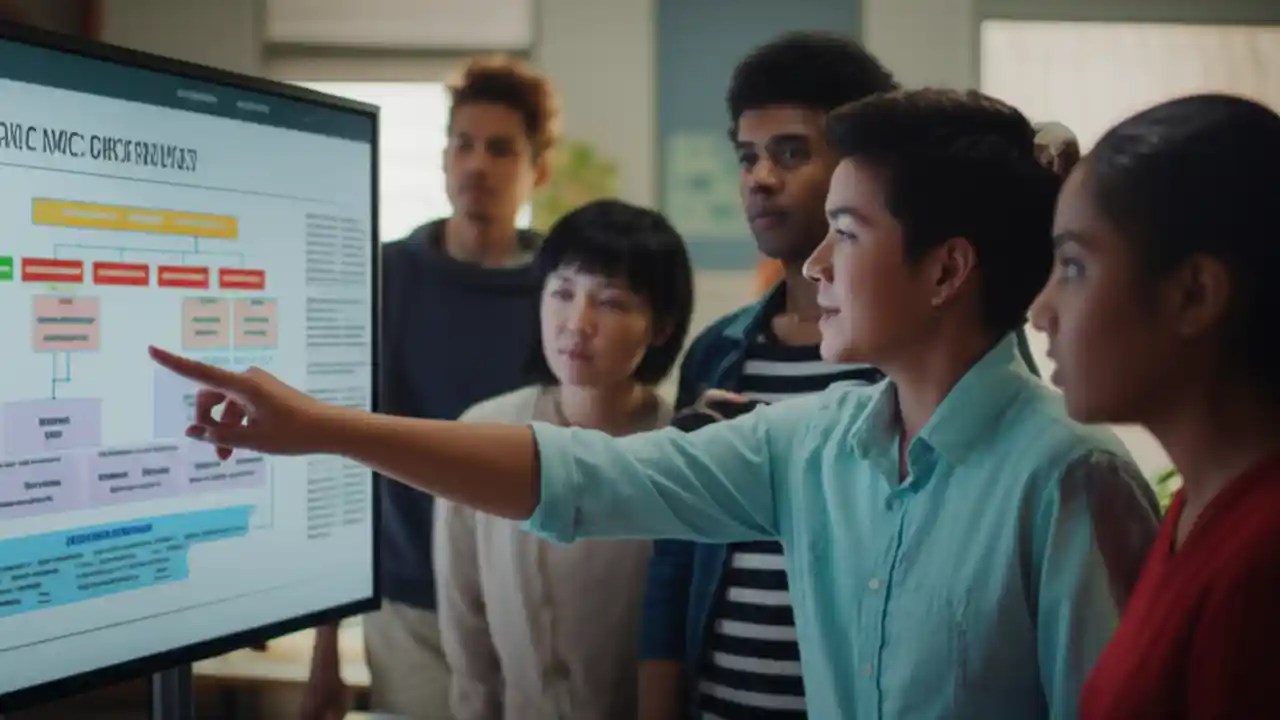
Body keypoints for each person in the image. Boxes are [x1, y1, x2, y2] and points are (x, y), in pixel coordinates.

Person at [149, 88, 1160, 720]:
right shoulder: (817, 444)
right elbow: (579, 476)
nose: (810, 264)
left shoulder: (1066, 480)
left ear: (946, 270)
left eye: (843, 233)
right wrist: (320, 428)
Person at [639, 33, 894, 720]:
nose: (759, 178)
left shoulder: (909, 357)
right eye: (747, 157)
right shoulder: (719, 354)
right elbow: (673, 560)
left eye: (790, 153)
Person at [301, 57, 558, 720]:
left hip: (531, 598)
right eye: (463, 145)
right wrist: (324, 647)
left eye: (501, 149)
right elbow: (336, 455)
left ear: (539, 168)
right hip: (408, 603)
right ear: (444, 159)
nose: (478, 164)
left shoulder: (562, 291)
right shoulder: (383, 276)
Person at [1030, 94, 1280, 719]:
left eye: (1074, 266)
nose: (1042, 311)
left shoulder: (1263, 559)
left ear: (1193, 294)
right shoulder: (1197, 507)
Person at [433, 199, 693, 720]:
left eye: (612, 303)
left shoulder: (681, 453)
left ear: (660, 327)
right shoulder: (482, 434)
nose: (578, 323)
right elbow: (467, 634)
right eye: (563, 292)